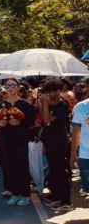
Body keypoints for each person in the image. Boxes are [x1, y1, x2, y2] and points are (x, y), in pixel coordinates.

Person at [0, 79, 36, 206]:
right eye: (7, 85)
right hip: (6, 137)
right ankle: (14, 193)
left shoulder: (24, 104)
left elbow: (31, 121)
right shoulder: (0, 104)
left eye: (13, 85)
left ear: (18, 87)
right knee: (9, 165)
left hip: (21, 138)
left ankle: (25, 195)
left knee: (21, 165)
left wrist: (20, 123)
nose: (10, 88)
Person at [40, 79, 72, 211]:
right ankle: (57, 196)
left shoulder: (63, 105)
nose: (49, 95)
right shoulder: (52, 105)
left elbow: (47, 121)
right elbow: (43, 119)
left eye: (51, 92)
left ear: (58, 91)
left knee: (60, 171)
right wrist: (42, 105)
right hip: (49, 141)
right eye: (47, 92)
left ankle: (66, 201)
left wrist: (46, 105)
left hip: (58, 142)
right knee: (53, 170)